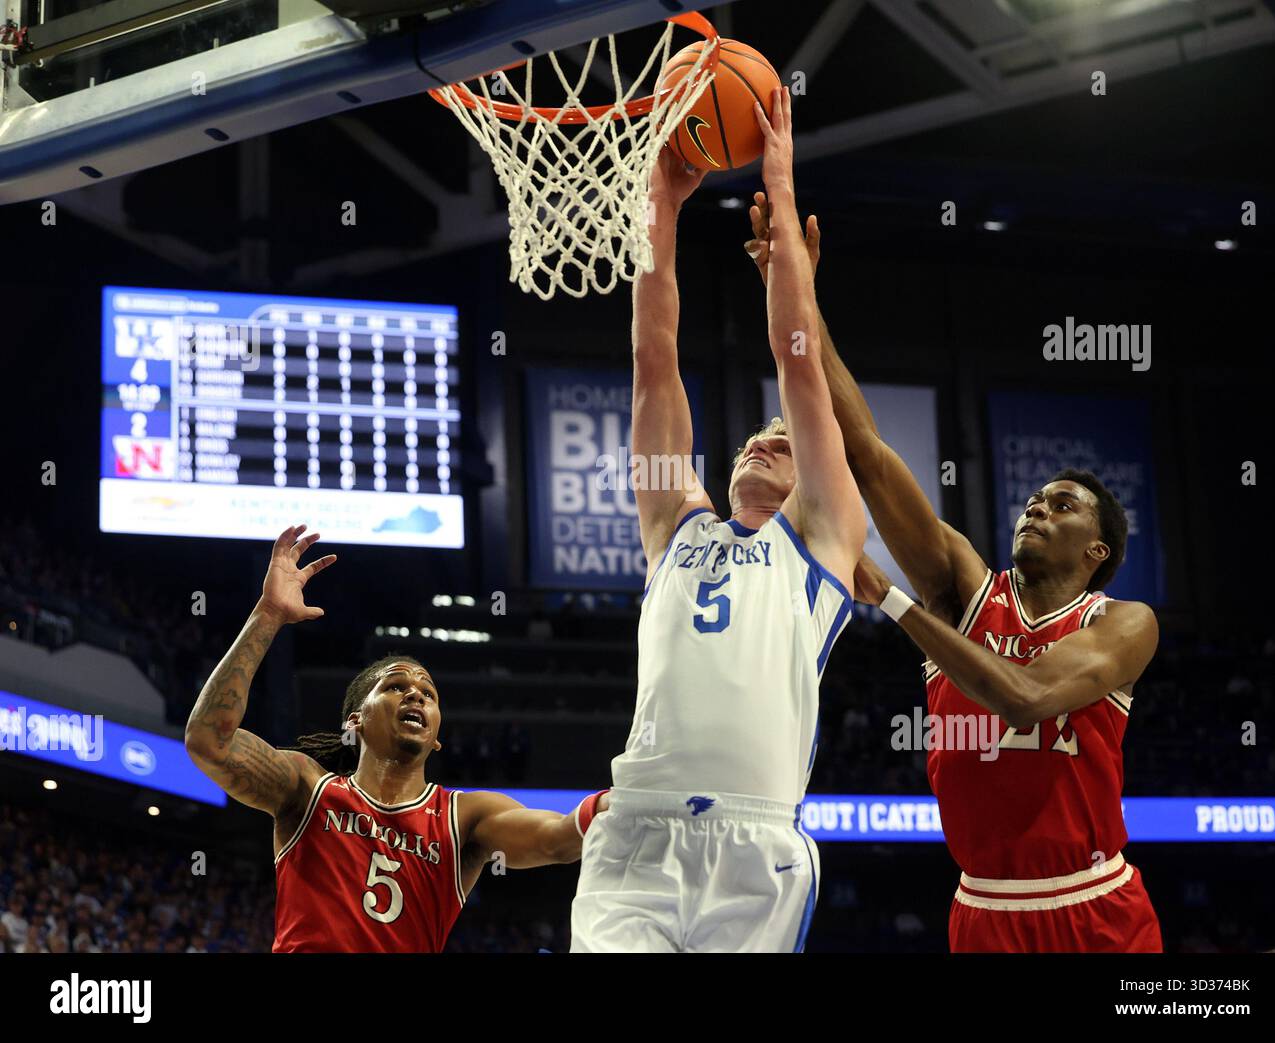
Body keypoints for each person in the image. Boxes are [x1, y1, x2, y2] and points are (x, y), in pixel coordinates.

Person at [744, 204, 1161, 953]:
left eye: (1061, 505)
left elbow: (1026, 696)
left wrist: (894, 601)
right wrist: (795, 294)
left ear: (1097, 549)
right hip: (981, 909)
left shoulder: (1122, 623)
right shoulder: (964, 589)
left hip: (1094, 907)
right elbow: (864, 450)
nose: (1037, 506)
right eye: (1035, 499)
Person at [570, 88, 866, 953]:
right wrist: (657, 210)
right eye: (754, 437)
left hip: (756, 845)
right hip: (639, 832)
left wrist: (780, 205)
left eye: (781, 441)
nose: (764, 441)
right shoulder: (674, 524)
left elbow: (800, 373)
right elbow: (652, 361)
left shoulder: (821, 539)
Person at [185, 525, 608, 953]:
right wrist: (269, 614)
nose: (415, 695)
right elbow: (209, 741)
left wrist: (615, 802)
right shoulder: (309, 789)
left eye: (428, 693)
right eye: (395, 686)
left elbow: (557, 839)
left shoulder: (464, 817)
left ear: (437, 737)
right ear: (355, 721)